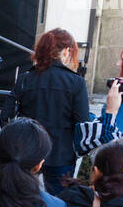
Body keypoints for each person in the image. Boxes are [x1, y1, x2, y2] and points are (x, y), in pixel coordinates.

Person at [13, 28, 89, 194]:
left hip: (29, 149)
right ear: (67, 51)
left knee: (20, 201)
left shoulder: (25, 78)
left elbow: (7, 116)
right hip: (61, 152)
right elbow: (83, 121)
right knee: (59, 203)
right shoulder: (75, 82)